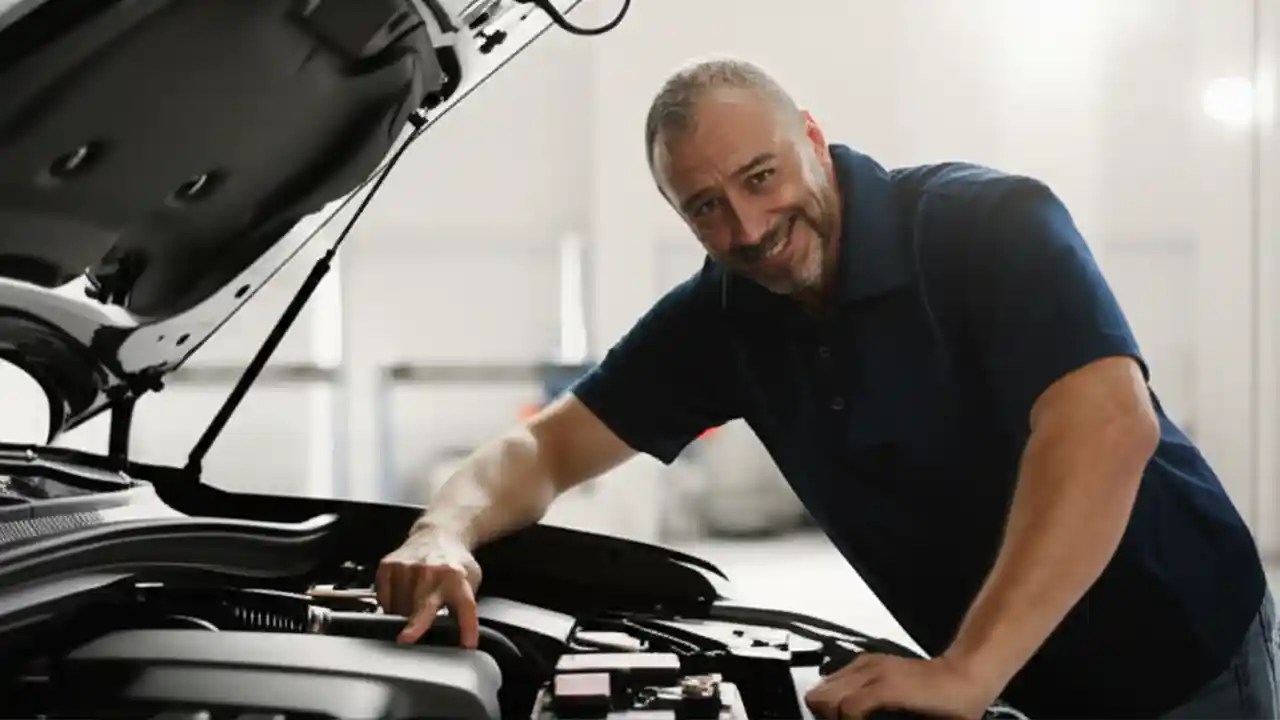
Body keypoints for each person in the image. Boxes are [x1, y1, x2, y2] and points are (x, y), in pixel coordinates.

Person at [377, 57, 1275, 719]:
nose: (749, 227)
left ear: (811, 138)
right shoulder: (720, 318)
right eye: (705, 207)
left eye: (760, 177)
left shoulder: (985, 225)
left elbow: (1108, 427)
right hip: (1011, 677)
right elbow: (544, 447)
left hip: (1178, 655)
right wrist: (441, 530)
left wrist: (968, 670)